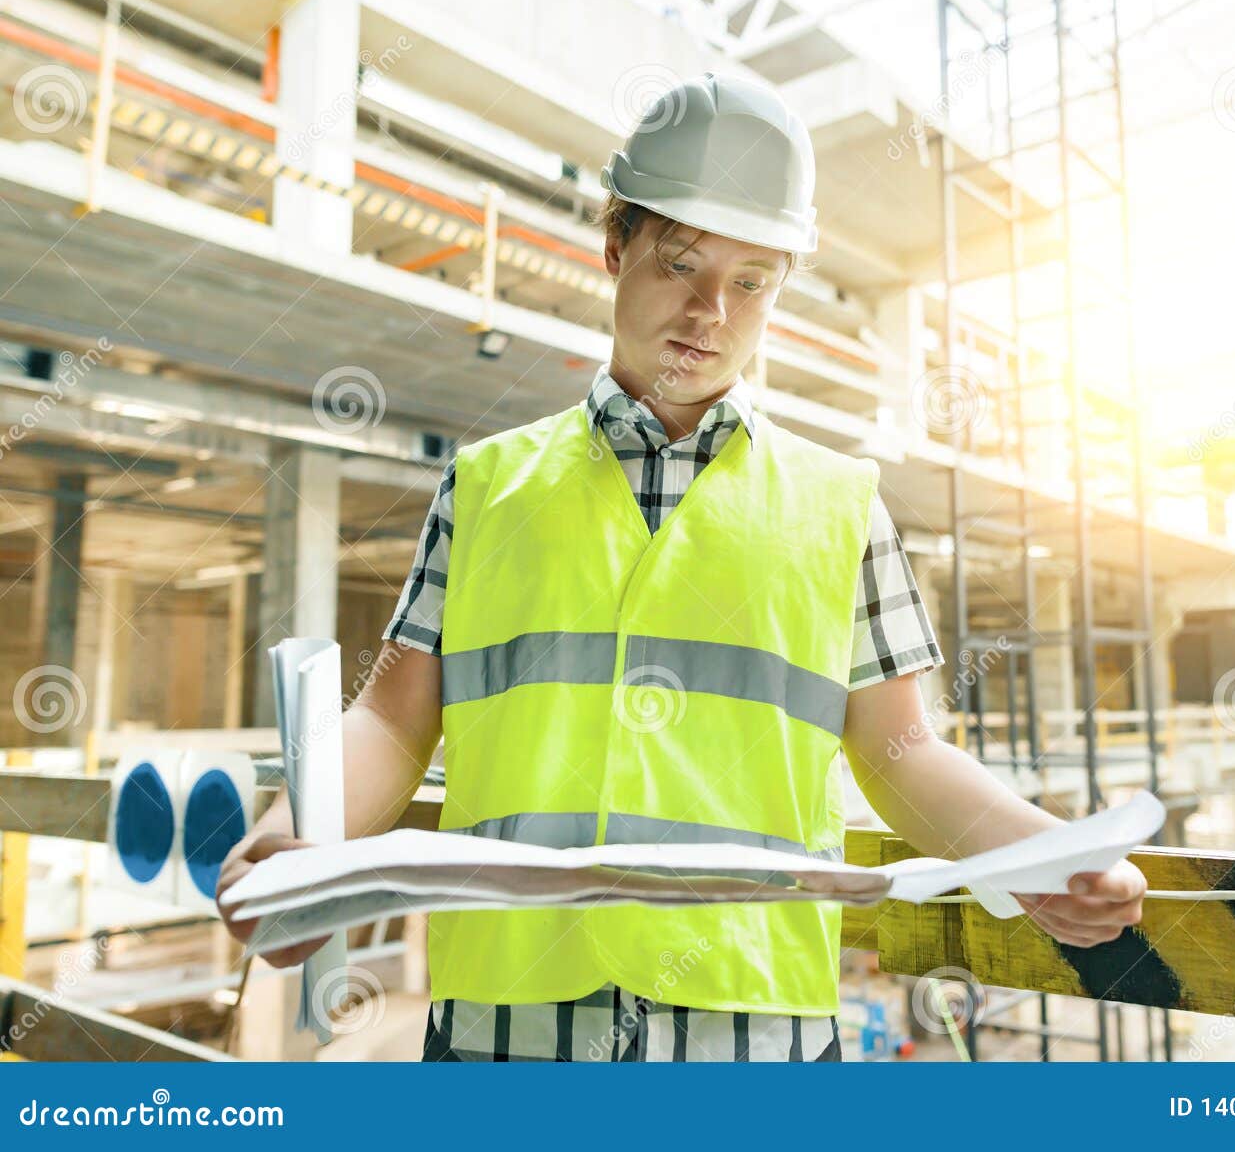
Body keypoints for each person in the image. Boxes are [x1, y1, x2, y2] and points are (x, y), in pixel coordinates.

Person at [217, 72, 1145, 1062]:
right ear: (615, 247)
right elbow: (392, 720)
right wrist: (295, 836)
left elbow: (901, 751)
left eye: (751, 280)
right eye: (681, 264)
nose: (711, 310)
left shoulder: (840, 503)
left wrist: (1041, 856)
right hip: (509, 1025)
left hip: (752, 1030)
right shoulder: (486, 488)